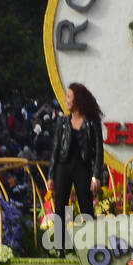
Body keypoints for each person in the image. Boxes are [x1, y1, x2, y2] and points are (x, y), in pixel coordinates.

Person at [47, 83, 104, 243]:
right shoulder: (62, 122)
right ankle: (60, 246)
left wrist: (96, 176)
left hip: (82, 168)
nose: (66, 100)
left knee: (86, 206)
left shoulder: (92, 122)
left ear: (77, 100)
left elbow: (99, 150)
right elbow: (55, 150)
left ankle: (93, 245)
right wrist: (50, 175)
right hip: (62, 167)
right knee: (60, 207)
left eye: (69, 97)